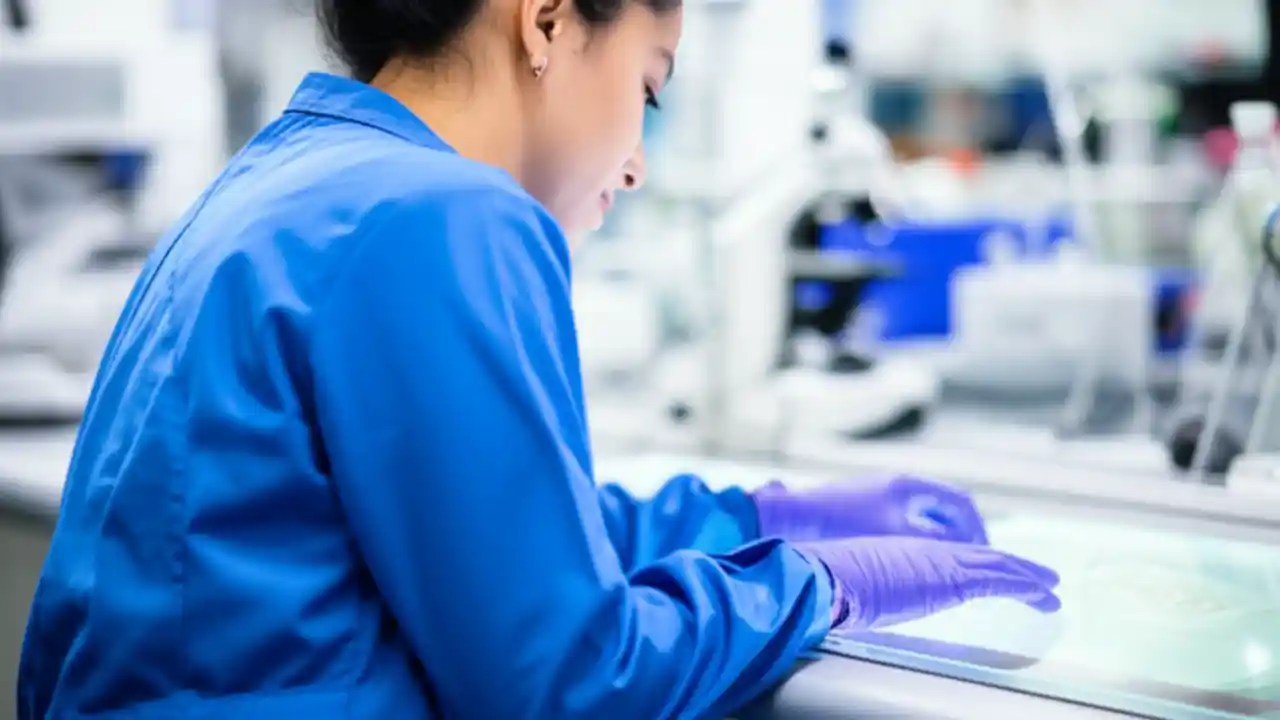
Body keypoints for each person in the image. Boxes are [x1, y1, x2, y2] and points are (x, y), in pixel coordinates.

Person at [17, 1, 1061, 718]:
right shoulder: (449, 213)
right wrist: (817, 587)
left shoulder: (289, 178)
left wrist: (761, 518)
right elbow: (565, 681)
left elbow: (482, 535)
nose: (640, 160)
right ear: (549, 20)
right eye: (647, 90)